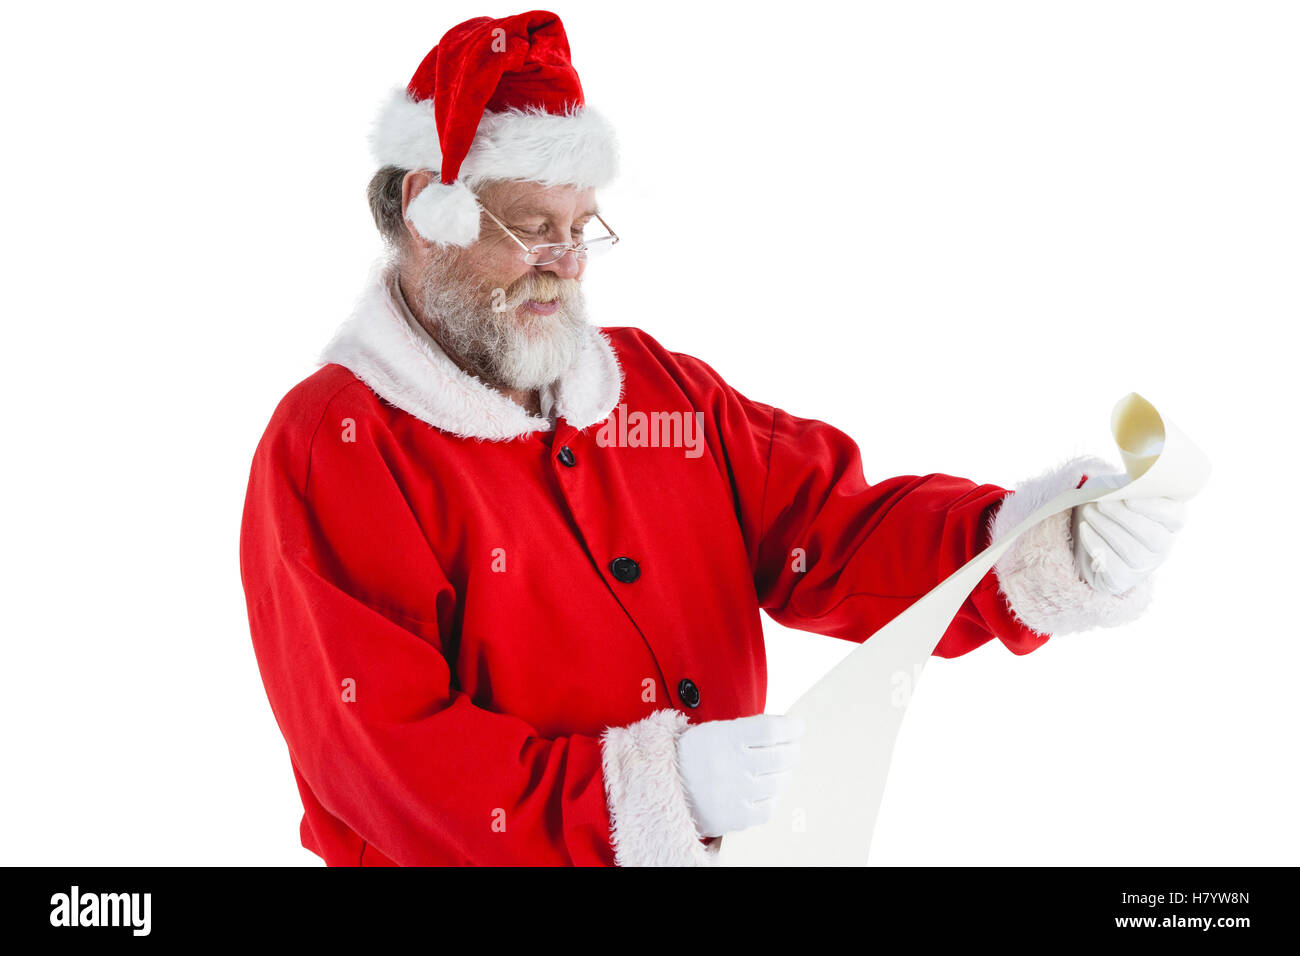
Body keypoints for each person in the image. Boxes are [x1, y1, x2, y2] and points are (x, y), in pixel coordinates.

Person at [238, 10, 1188, 866]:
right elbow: (387, 759)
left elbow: (837, 533)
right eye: (531, 229)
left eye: (581, 228)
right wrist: (651, 795)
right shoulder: (337, 443)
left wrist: (1029, 546)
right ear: (425, 213)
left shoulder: (656, 389)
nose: (565, 266)